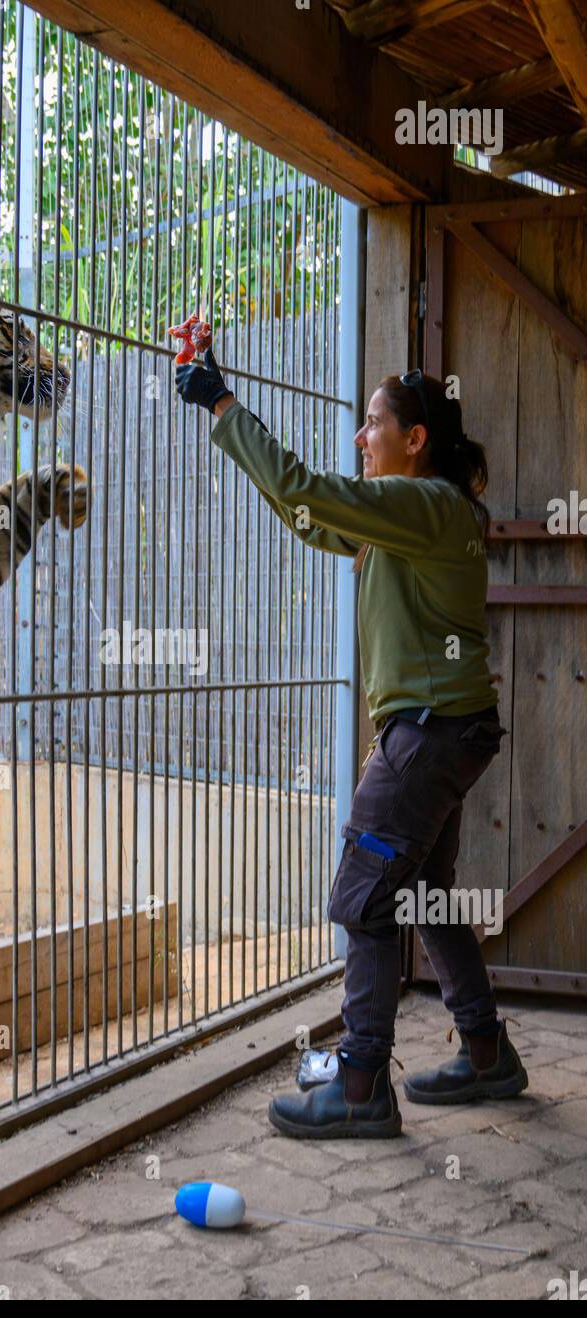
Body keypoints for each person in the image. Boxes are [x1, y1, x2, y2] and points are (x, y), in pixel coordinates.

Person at [175, 346, 528, 1140]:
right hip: (451, 729)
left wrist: (223, 405)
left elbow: (305, 488)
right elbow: (306, 513)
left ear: (415, 440)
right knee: (425, 894)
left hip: (429, 733)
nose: (361, 437)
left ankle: (363, 1081)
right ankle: (485, 1052)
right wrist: (229, 420)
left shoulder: (425, 505)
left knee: (362, 896)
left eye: (374, 425)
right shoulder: (407, 512)